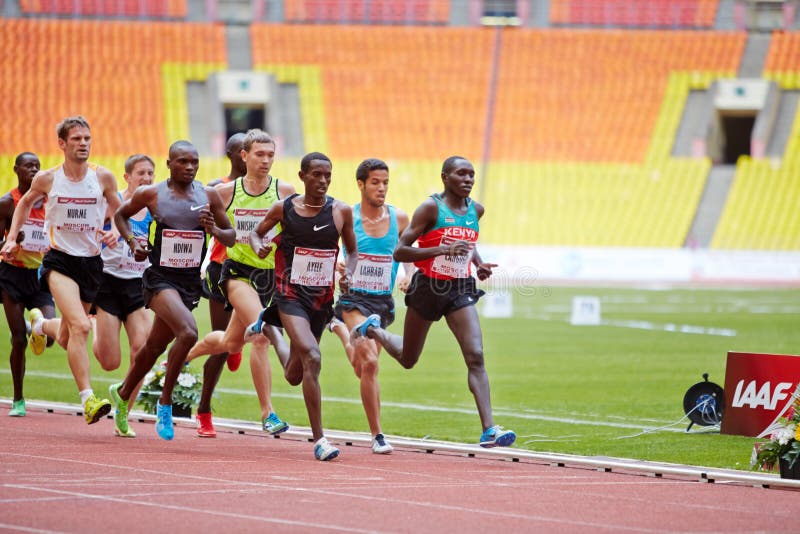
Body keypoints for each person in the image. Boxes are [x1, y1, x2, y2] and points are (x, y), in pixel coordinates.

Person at [351, 156, 516, 448]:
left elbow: (468, 241)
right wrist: (442, 250)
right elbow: (401, 251)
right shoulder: (430, 208)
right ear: (445, 177)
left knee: (475, 354)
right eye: (461, 174)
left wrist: (476, 263)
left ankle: (489, 428)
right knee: (408, 359)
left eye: (471, 175)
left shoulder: (476, 209)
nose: (468, 180)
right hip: (427, 288)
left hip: (460, 289)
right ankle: (374, 330)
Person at [108, 140, 235, 440]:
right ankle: (165, 404)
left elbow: (230, 237)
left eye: (194, 162)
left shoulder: (209, 195)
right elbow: (120, 216)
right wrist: (133, 242)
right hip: (159, 280)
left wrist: (213, 230)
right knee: (189, 333)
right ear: (169, 164)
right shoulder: (151, 193)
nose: (189, 167)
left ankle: (123, 394)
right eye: (182, 162)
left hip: (189, 282)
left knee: (153, 348)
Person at [0, 116, 121, 425]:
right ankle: (88, 399)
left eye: (87, 139)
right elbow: (24, 205)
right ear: (62, 144)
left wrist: (116, 233)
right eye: (77, 139)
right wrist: (12, 238)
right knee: (81, 327)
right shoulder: (48, 179)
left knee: (68, 337)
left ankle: (40, 325)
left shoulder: (103, 177)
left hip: (91, 265)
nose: (83, 144)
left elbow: (120, 211)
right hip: (59, 262)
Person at [246, 152, 358, 461]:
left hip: (320, 301)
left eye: (328, 175)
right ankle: (320, 440)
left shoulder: (340, 211)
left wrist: (348, 272)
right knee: (312, 355)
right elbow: (255, 235)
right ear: (302, 176)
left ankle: (270, 329)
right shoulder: (284, 209)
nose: (322, 181)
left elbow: (352, 251)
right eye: (317, 175)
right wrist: (260, 247)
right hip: (289, 295)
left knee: (295, 374)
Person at [186, 129, 295, 438]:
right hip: (236, 272)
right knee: (260, 335)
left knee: (230, 343)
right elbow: (208, 229)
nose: (266, 160)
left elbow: (294, 232)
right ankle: (268, 414)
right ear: (244, 156)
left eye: (271, 155)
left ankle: (179, 358)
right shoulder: (224, 192)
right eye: (259, 154)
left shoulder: (284, 190)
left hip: (270, 277)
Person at [330, 158, 412, 454]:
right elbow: (329, 249)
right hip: (353, 300)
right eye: (375, 182)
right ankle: (378, 435)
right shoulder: (345, 216)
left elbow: (407, 250)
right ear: (361, 184)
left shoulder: (399, 218)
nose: (381, 188)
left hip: (382, 302)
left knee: (361, 367)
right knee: (372, 362)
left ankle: (340, 331)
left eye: (385, 182)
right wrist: (336, 268)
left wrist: (409, 277)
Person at [90, 154, 155, 436]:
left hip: (138, 285)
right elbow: (90, 231)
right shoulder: (110, 201)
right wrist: (104, 235)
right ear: (127, 177)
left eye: (151, 173)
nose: (147, 178)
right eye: (141, 173)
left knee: (143, 351)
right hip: (107, 282)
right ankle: (90, 324)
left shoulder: (155, 208)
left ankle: (123, 412)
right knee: (110, 362)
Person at [0, 153, 55, 417]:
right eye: (28, 165)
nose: (33, 169)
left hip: (41, 276)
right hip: (12, 275)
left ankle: (34, 324)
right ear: (16, 170)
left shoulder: (50, 203)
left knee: (52, 336)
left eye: (37, 166)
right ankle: (19, 399)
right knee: (19, 340)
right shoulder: (7, 204)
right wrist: (11, 241)